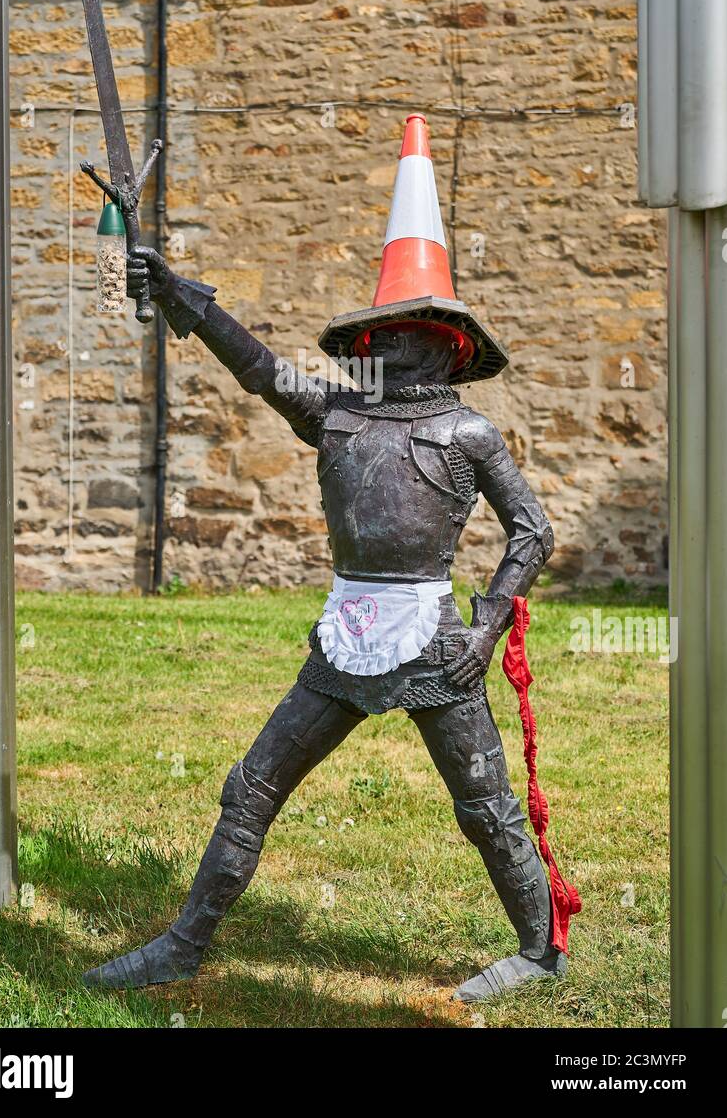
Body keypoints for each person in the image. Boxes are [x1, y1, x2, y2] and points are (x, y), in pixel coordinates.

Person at [82, 115, 563, 1002]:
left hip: (433, 640)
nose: (386, 342)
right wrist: (184, 296)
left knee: (487, 810)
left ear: (448, 343)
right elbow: (260, 367)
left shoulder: (466, 430)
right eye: (379, 330)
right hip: (345, 637)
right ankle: (186, 945)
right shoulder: (334, 415)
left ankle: (539, 952)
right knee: (252, 786)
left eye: (407, 328)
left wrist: (487, 627)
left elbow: (531, 530)